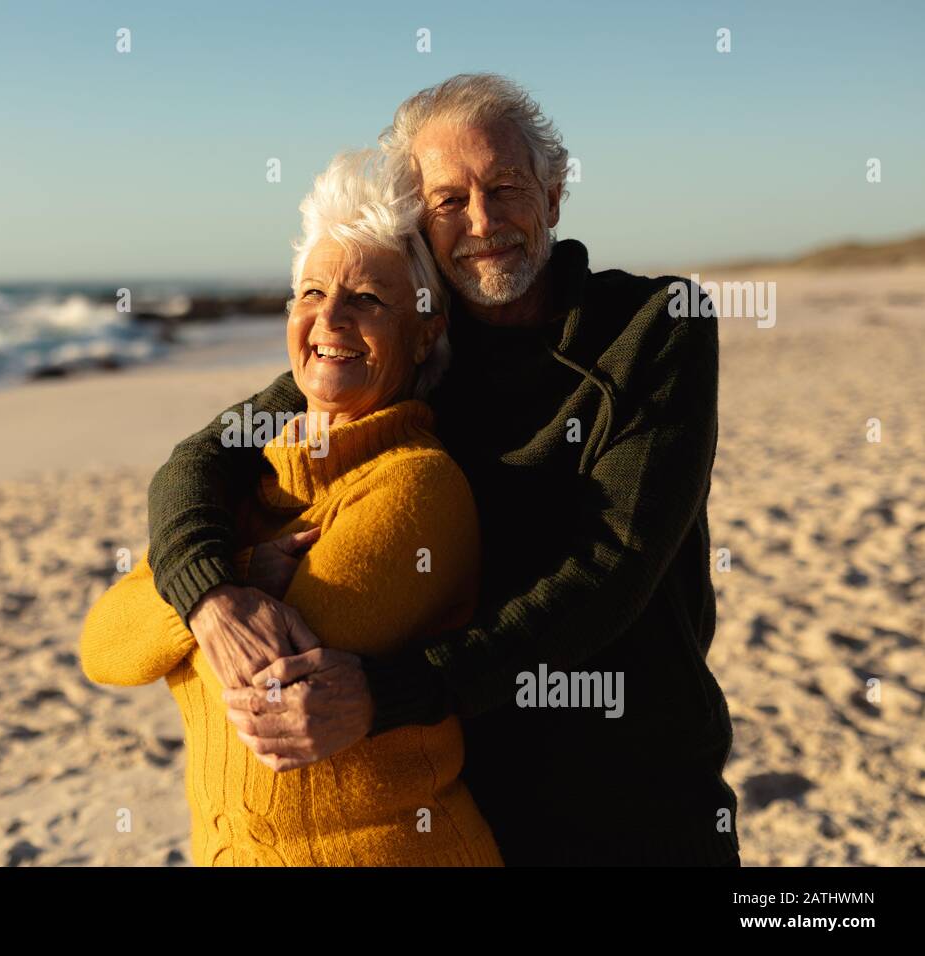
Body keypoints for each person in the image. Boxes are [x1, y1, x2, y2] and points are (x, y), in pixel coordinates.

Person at [146, 73, 741, 866]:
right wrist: (212, 595)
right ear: (419, 226)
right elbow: (201, 458)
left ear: (555, 197)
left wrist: (384, 693)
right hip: (473, 795)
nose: (484, 222)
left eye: (506, 186)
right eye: (449, 200)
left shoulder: (654, 327)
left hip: (639, 784)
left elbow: (610, 568)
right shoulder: (411, 339)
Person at [81, 149, 502, 866]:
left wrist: (191, 581)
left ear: (424, 332)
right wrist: (231, 581)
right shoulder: (246, 479)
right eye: (310, 293)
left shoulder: (418, 487)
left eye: (367, 299)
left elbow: (267, 674)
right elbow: (103, 647)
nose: (329, 317)